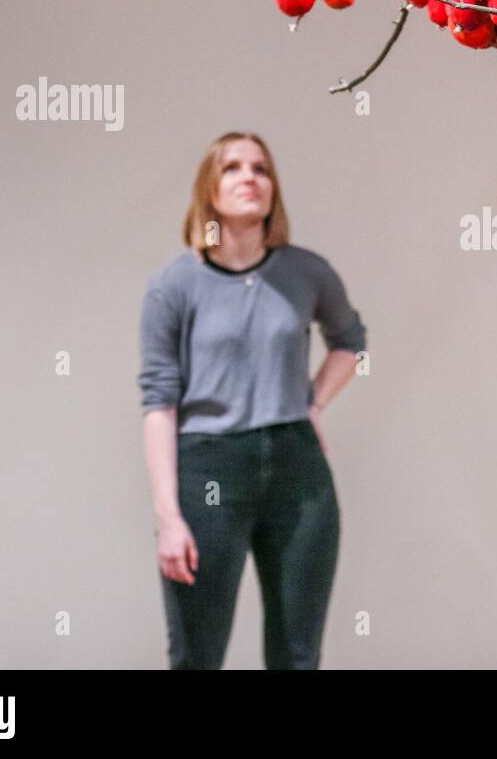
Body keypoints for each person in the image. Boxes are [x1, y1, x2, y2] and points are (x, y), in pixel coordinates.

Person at [137, 131, 366, 669]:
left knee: (297, 654)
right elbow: (159, 403)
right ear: (209, 191)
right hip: (209, 473)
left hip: (297, 473)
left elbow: (350, 343)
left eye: (260, 169)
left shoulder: (305, 272)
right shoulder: (174, 286)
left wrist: (311, 406)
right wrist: (169, 515)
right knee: (197, 656)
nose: (249, 178)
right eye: (233, 168)